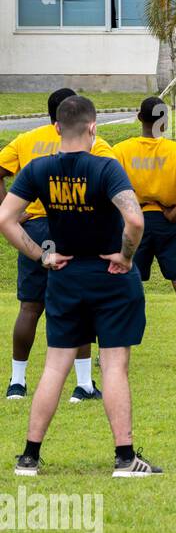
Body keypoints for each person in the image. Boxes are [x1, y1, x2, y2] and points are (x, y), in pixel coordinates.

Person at [0, 96, 158, 478]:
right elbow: (135, 222)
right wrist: (125, 256)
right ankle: (124, 458)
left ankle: (29, 458)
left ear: (56, 128)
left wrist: (43, 257)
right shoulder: (106, 167)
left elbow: (6, 218)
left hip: (64, 276)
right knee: (115, 366)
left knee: (55, 366)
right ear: (93, 128)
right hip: (111, 278)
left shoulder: (38, 169)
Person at [0, 88, 112, 402]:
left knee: (30, 307)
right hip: (74, 227)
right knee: (80, 306)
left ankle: (17, 384)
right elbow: (111, 183)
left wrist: (12, 211)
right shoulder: (94, 143)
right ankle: (83, 385)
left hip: (35, 230)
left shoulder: (25, 140)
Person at [112, 97, 176, 368]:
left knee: (122, 284)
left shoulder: (120, 150)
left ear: (138, 117)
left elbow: (107, 189)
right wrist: (173, 215)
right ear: (165, 121)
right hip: (171, 224)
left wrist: (127, 212)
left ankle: (109, 350)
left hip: (135, 222)